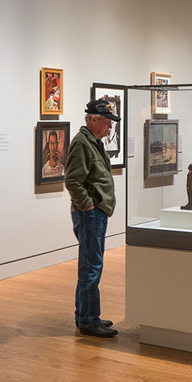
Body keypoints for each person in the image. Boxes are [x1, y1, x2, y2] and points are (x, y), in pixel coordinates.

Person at [64, 99, 121, 338]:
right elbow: (72, 180)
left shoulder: (93, 142)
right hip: (89, 214)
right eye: (107, 123)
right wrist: (87, 206)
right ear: (94, 120)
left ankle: (88, 316)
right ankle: (87, 321)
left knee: (92, 266)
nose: (110, 128)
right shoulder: (82, 143)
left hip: (96, 213)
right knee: (90, 267)